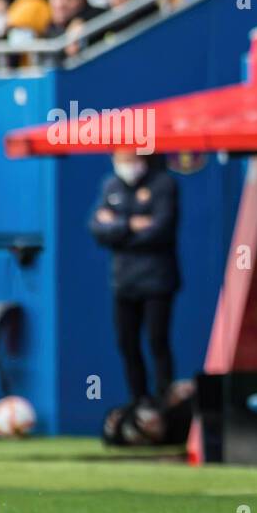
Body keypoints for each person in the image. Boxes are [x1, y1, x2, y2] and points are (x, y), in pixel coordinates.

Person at [89, 151, 181, 414]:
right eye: (122, 158)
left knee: (157, 341)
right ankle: (138, 401)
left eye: (132, 158)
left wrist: (117, 229)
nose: (128, 165)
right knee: (127, 343)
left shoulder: (163, 184)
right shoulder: (111, 185)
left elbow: (160, 230)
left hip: (157, 281)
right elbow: (96, 228)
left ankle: (165, 405)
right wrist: (131, 225)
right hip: (123, 282)